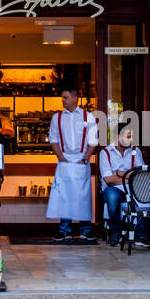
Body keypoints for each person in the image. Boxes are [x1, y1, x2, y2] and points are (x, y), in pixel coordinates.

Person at [46, 83, 99, 244]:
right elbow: (53, 139)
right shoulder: (57, 117)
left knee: (83, 196)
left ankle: (86, 230)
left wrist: (85, 159)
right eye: (62, 98)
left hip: (82, 160)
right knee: (64, 196)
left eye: (66, 97)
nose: (63, 100)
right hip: (65, 161)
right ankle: (64, 230)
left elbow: (93, 141)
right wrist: (61, 157)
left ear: (75, 98)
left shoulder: (87, 117)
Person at [99, 125, 146, 247]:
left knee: (144, 194)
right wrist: (128, 176)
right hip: (114, 189)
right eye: (128, 137)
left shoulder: (136, 151)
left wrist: (118, 173)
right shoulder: (105, 152)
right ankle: (116, 231)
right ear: (119, 137)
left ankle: (141, 234)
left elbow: (139, 175)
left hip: (132, 189)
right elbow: (108, 179)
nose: (131, 140)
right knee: (111, 195)